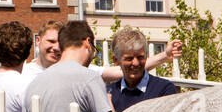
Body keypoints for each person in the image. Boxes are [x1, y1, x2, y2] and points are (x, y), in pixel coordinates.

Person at [25, 19, 182, 84]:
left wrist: (164, 56)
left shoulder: (80, 70)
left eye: (59, 43)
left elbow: (121, 70)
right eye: (50, 42)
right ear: (38, 41)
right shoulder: (25, 74)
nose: (56, 48)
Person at [107, 26, 178, 112]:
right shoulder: (108, 94)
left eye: (140, 57)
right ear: (116, 60)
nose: (136, 63)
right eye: (129, 59)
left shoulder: (163, 90)